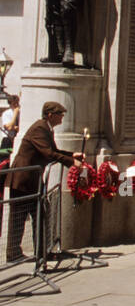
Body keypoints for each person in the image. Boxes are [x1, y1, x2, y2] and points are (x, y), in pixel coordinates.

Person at [6, 102, 86, 261]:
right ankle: (14, 253)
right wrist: (70, 162)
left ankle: (42, 252)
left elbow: (54, 151)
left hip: (32, 179)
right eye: (60, 114)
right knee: (20, 217)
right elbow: (48, 153)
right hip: (23, 178)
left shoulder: (46, 128)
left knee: (41, 214)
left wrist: (72, 155)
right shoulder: (39, 128)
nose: (62, 118)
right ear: (50, 114)